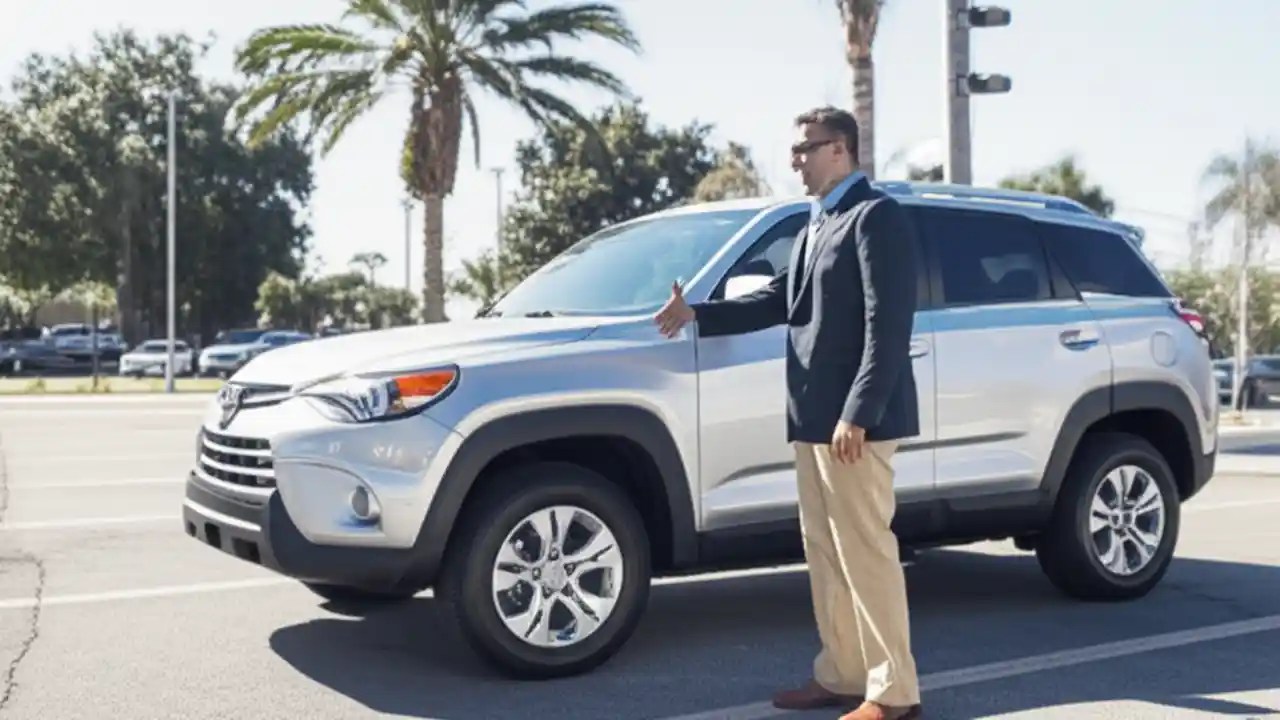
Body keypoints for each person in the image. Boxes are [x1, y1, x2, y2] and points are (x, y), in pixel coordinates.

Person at [653, 106, 923, 720]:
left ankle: (894, 694)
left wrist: (860, 411)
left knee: (866, 553)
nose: (796, 159)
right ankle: (842, 675)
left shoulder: (876, 218)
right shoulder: (815, 223)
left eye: (807, 148)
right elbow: (781, 299)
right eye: (796, 149)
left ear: (841, 150)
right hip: (812, 419)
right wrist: (700, 311)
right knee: (826, 552)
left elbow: (889, 323)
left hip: (854, 423)